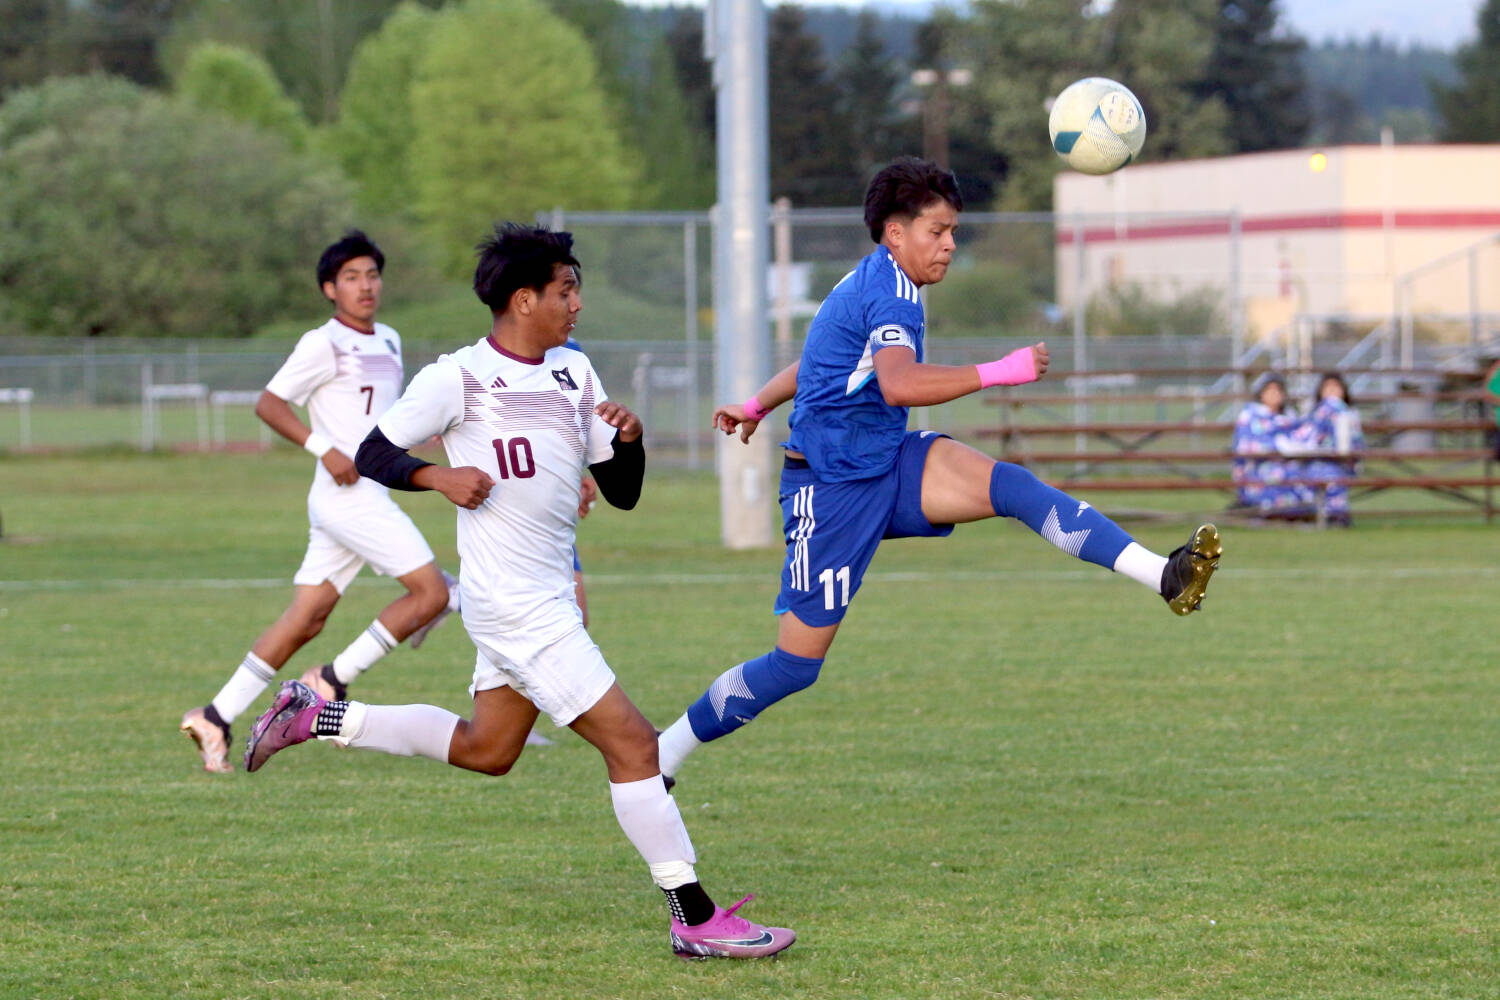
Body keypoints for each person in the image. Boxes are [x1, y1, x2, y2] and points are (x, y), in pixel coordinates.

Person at [242, 223, 795, 961]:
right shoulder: (459, 376)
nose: (577, 304)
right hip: (516, 606)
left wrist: (628, 443)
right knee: (634, 746)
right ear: (523, 298)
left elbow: (621, 494)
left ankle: (318, 715)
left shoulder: (575, 373)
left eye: (577, 290)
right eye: (566, 291)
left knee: (490, 749)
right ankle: (693, 917)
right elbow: (374, 451)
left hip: (547, 596)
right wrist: (437, 477)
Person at [654, 157, 1222, 784]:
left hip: (886, 464)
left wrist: (757, 404)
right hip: (831, 489)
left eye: (953, 231)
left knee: (1011, 486)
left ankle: (1163, 575)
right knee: (795, 665)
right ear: (895, 233)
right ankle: (664, 751)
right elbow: (898, 385)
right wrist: (1000, 370)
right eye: (937, 231)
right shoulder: (887, 289)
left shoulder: (877, 282)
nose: (950, 245)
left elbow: (819, 362)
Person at [180, 230, 459, 774]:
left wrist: (421, 437)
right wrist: (323, 447)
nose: (365, 286)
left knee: (307, 618)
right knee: (432, 593)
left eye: (372, 275)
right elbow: (269, 402)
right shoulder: (321, 342)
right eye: (351, 278)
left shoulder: (390, 339)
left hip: (363, 492)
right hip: (345, 495)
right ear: (330, 288)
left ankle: (216, 715)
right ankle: (329, 681)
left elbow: (385, 415)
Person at [1275, 372, 1364, 525]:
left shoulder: (1347, 414)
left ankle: (1333, 515)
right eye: (1327, 387)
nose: (1331, 391)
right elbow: (1304, 436)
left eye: (1335, 387)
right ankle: (1321, 514)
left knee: (1329, 474)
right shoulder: (1317, 413)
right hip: (1312, 461)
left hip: (1339, 464)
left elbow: (1354, 447)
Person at [1231, 372, 1309, 517]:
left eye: (1278, 390)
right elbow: (1245, 445)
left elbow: (1302, 440)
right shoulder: (1250, 416)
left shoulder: (1290, 417)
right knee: (1277, 477)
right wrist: (1279, 446)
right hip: (1258, 468)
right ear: (1261, 394)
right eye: (1269, 390)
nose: (1274, 394)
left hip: (1291, 465)